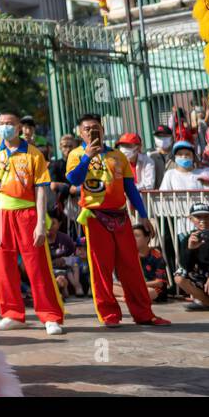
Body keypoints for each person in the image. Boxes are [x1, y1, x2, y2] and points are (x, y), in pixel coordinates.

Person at [66, 113, 170, 328]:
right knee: (101, 268)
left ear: (103, 130)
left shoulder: (118, 156)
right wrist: (87, 156)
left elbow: (130, 188)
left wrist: (142, 214)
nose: (91, 132)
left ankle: (144, 314)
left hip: (121, 215)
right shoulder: (76, 154)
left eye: (95, 128)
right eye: (86, 129)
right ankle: (110, 315)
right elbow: (74, 180)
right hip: (95, 217)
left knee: (131, 267)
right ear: (80, 132)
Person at [0, 113, 64, 335]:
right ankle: (11, 314)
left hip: (26, 213)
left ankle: (50, 315)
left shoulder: (33, 154)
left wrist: (39, 223)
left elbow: (40, 191)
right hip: (0, 214)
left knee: (37, 266)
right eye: (1, 124)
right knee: (3, 267)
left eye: (9, 124)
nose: (4, 127)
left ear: (19, 128)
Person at [133, 224, 171, 303]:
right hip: (135, 288)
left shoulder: (156, 256)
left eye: (136, 236)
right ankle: (128, 298)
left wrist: (137, 285)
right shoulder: (131, 255)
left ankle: (124, 298)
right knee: (108, 287)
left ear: (147, 238)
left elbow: (159, 283)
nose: (132, 238)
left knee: (149, 292)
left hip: (154, 290)